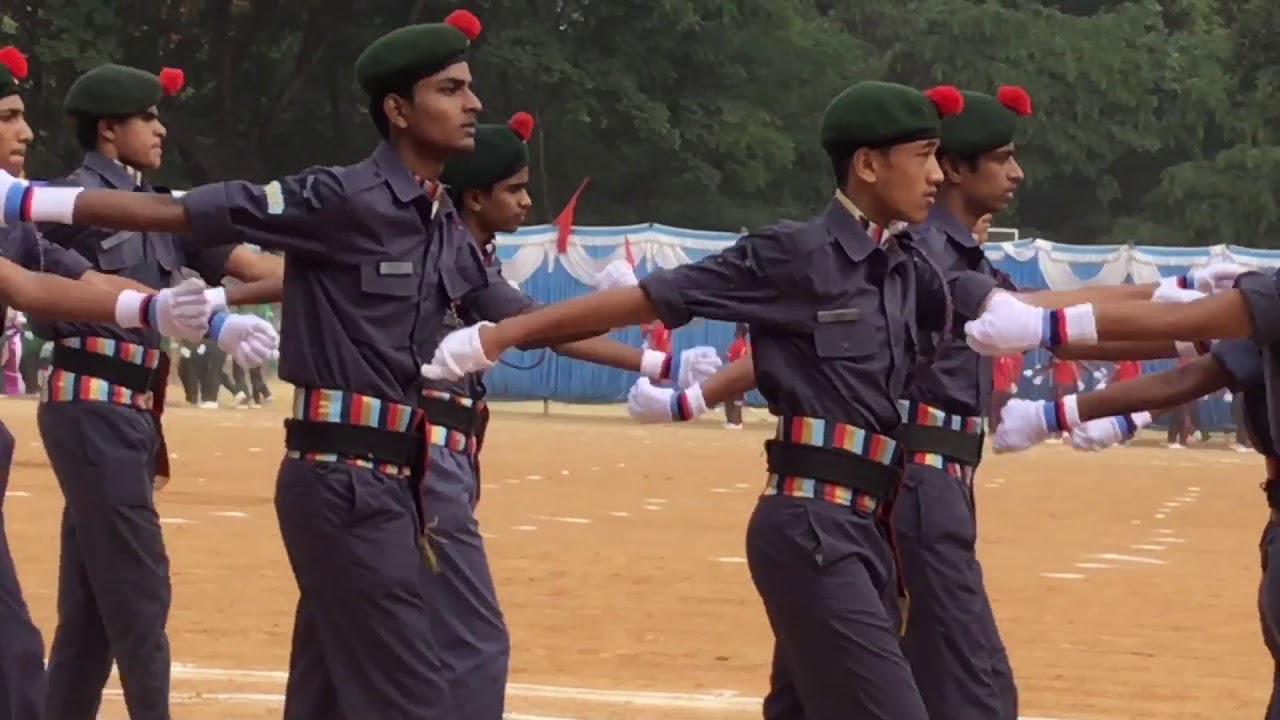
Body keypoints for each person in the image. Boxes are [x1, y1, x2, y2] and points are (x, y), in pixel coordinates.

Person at [423, 80, 1006, 720]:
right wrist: (503, 334)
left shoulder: (909, 272)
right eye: (922, 156)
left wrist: (1072, 338)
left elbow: (1009, 318)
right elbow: (657, 298)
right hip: (814, 529)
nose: (934, 175)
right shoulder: (797, 253)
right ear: (868, 165)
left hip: (876, 527)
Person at [0, 45, 269, 720]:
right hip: (90, 406)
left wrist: (220, 315)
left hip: (132, 413)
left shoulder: (162, 207)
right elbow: (48, 287)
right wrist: (169, 311)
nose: (161, 130)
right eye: (145, 118)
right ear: (107, 129)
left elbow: (259, 264)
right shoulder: (66, 203)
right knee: (140, 594)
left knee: (91, 615)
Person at [422, 110, 719, 718]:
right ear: (474, 197)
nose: (528, 201)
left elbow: (542, 329)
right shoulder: (454, 254)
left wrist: (655, 366)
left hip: (441, 449)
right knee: (473, 642)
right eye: (515, 188)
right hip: (429, 454)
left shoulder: (465, 249)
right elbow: (541, 329)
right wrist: (630, 304)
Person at [724, 324, 749, 428]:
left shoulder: (737, 344)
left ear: (740, 332)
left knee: (730, 398)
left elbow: (729, 357)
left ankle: (735, 422)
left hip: (735, 373)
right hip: (742, 373)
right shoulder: (745, 345)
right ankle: (735, 421)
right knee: (738, 398)